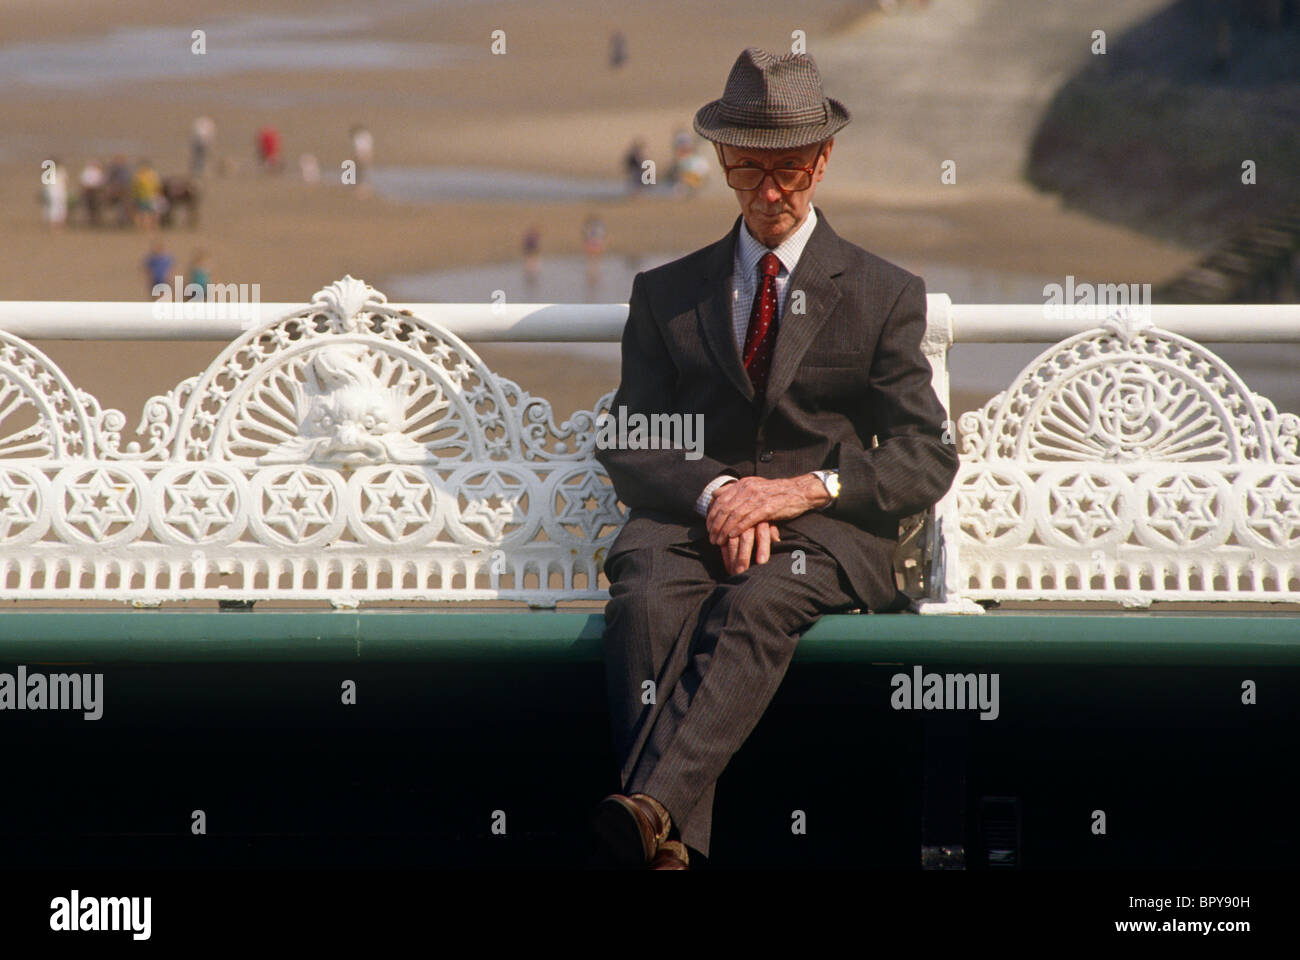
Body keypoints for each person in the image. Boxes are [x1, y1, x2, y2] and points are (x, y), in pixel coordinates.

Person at [589, 48, 959, 869]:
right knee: (645, 601)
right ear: (721, 161)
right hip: (688, 523)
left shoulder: (882, 292)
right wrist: (721, 489)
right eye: (750, 169)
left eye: (789, 169)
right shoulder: (665, 293)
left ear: (823, 159)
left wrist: (800, 490)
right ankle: (666, 840)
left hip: (821, 535)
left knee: (755, 602)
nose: (770, 192)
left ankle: (652, 815)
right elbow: (626, 436)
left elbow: (924, 457)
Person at [41, 159, 68, 229]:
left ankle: (59, 224)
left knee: (59, 207)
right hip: (54, 191)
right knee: (55, 207)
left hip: (59, 191)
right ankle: (54, 224)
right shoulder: (52, 171)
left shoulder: (60, 171)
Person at [350, 124, 374, 195]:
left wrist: (357, 159)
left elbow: (359, 150)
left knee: (360, 174)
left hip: (361, 157)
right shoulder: (367, 135)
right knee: (364, 173)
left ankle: (361, 190)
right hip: (366, 157)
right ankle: (364, 189)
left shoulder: (359, 137)